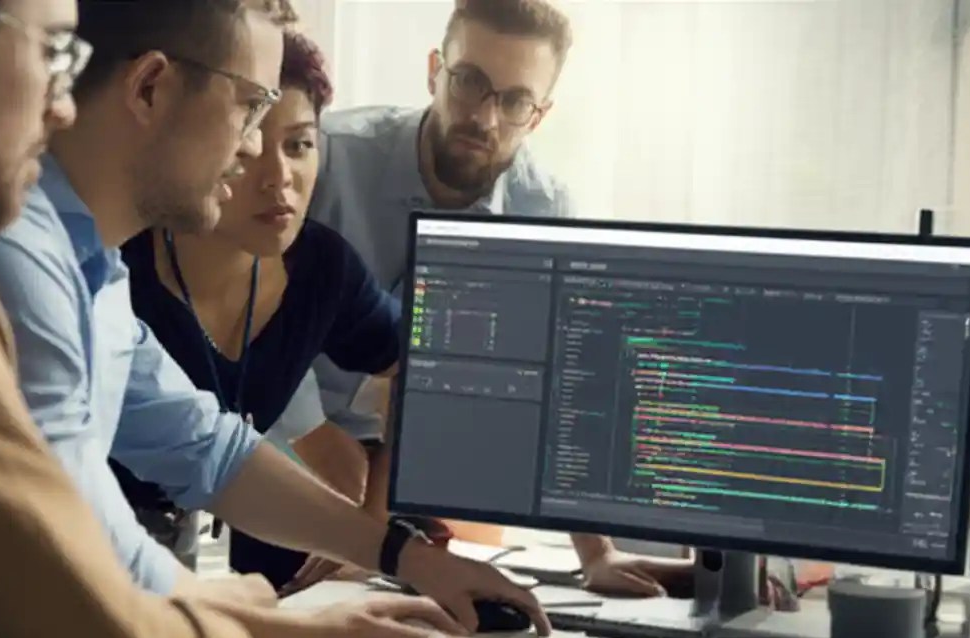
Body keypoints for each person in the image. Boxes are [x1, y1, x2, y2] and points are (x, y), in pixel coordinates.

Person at [0, 1, 550, 638]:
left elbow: (195, 445)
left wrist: (377, 568)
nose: (63, 104)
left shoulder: (61, 253)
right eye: (53, 55)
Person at [0, 0, 551, 637]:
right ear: (150, 88)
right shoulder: (16, 257)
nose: (254, 150)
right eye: (250, 108)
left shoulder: (94, 265)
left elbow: (208, 449)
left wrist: (403, 557)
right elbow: (72, 556)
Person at [277, 0, 695, 597]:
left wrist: (596, 554)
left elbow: (560, 387)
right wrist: (314, 435)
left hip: (417, 466)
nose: (485, 117)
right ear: (433, 72)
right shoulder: (324, 155)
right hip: (293, 439)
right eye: (470, 83)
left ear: (539, 115)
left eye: (515, 100)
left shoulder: (544, 213)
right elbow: (245, 298)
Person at [120, 30, 402, 591]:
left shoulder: (321, 268)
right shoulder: (119, 259)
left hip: (177, 551)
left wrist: (379, 528)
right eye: (248, 139)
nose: (278, 177)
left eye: (299, 145)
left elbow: (421, 367)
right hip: (78, 540)